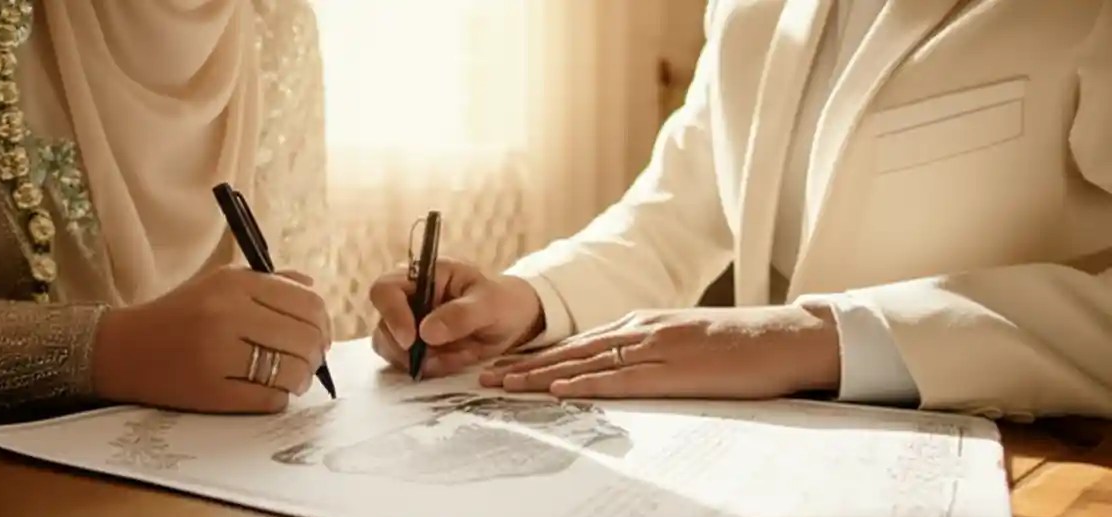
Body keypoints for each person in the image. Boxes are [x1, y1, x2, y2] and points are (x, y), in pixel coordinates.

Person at [370, 0, 1112, 420]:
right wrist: (528, 301)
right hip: (781, 475)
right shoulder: (746, 10)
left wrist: (818, 338)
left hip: (1036, 471)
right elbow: (675, 214)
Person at [0, 0, 331, 436]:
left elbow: (290, 292)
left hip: (237, 507)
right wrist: (108, 351)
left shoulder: (281, 24)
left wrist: (388, 340)